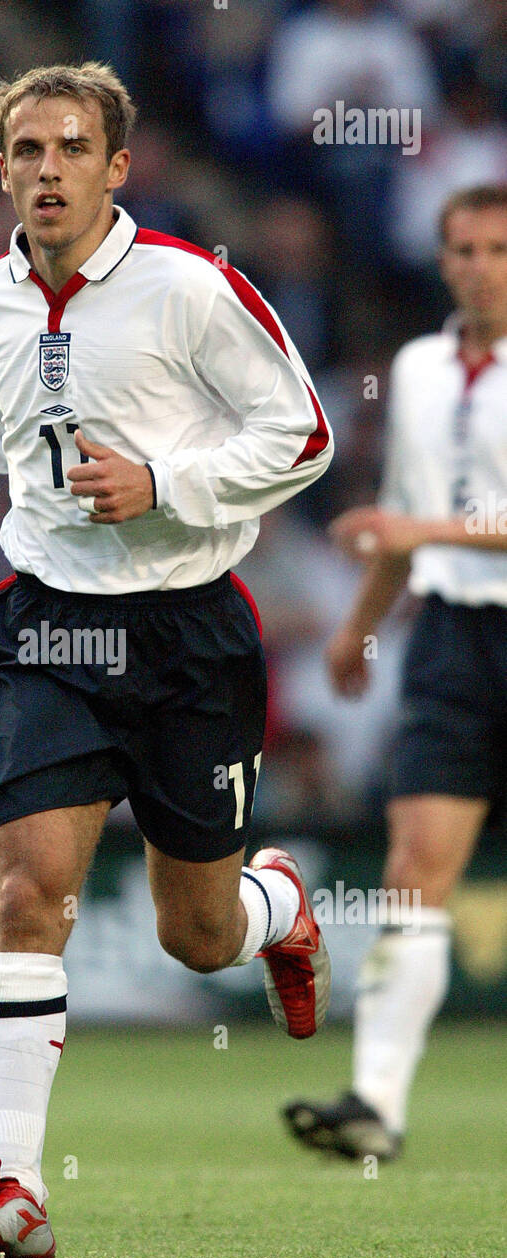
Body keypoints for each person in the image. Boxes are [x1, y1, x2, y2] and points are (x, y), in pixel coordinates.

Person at [0, 63, 334, 1258]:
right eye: (25, 150)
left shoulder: (191, 288)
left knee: (197, 937)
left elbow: (304, 432)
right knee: (27, 895)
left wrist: (164, 483)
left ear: (117, 166)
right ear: (2, 166)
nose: (46, 170)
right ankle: (14, 1189)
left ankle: (276, 907)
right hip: (45, 632)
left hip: (186, 634)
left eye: (70, 149)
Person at [284, 184, 507, 1162]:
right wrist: (355, 630)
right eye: (460, 247)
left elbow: (408, 522)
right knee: (414, 870)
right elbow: (400, 521)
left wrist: (412, 530)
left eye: (496, 249)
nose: (476, 266)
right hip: (453, 638)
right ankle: (374, 1101)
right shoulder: (416, 367)